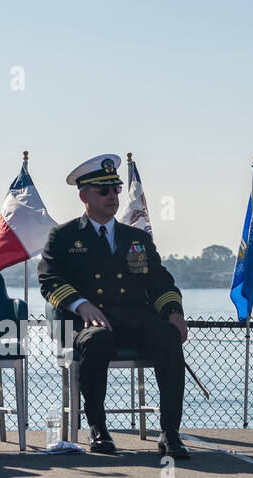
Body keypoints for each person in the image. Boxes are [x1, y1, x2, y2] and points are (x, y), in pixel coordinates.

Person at [38, 154, 189, 458]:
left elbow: (158, 279)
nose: (112, 197)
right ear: (84, 196)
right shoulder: (64, 236)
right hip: (90, 324)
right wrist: (81, 305)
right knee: (97, 340)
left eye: (116, 189)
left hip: (135, 319)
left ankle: (170, 433)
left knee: (168, 336)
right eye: (103, 191)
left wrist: (174, 312)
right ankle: (98, 429)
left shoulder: (136, 238)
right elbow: (49, 279)